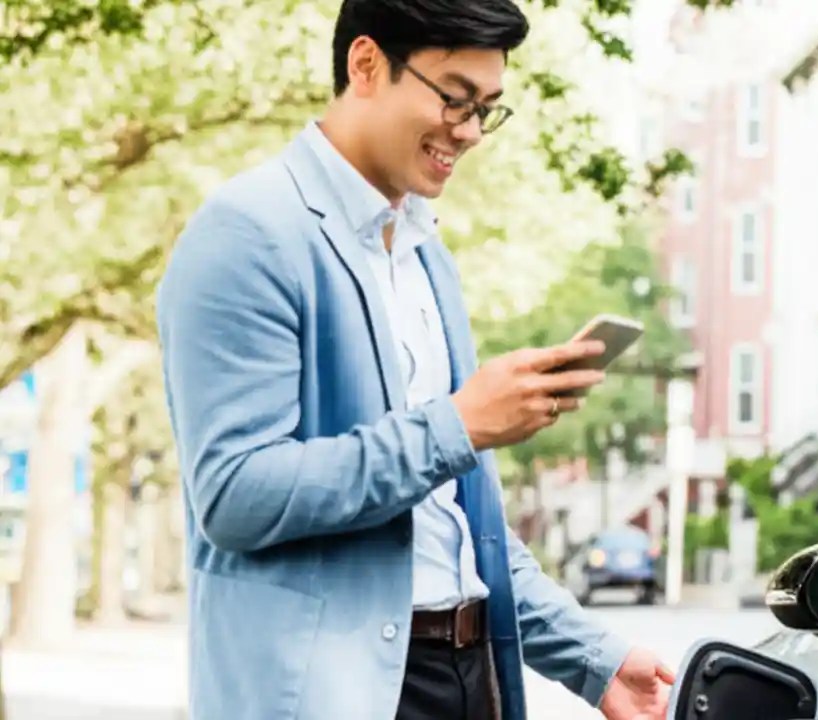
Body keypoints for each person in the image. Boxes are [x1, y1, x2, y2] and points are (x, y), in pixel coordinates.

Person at [155, 1, 674, 718]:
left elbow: (455, 526)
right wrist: (456, 427)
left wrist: (596, 659)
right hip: (336, 696)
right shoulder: (247, 234)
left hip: (468, 678)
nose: (467, 131)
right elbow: (236, 494)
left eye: (486, 109)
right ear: (365, 64)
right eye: (454, 98)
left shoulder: (427, 256)